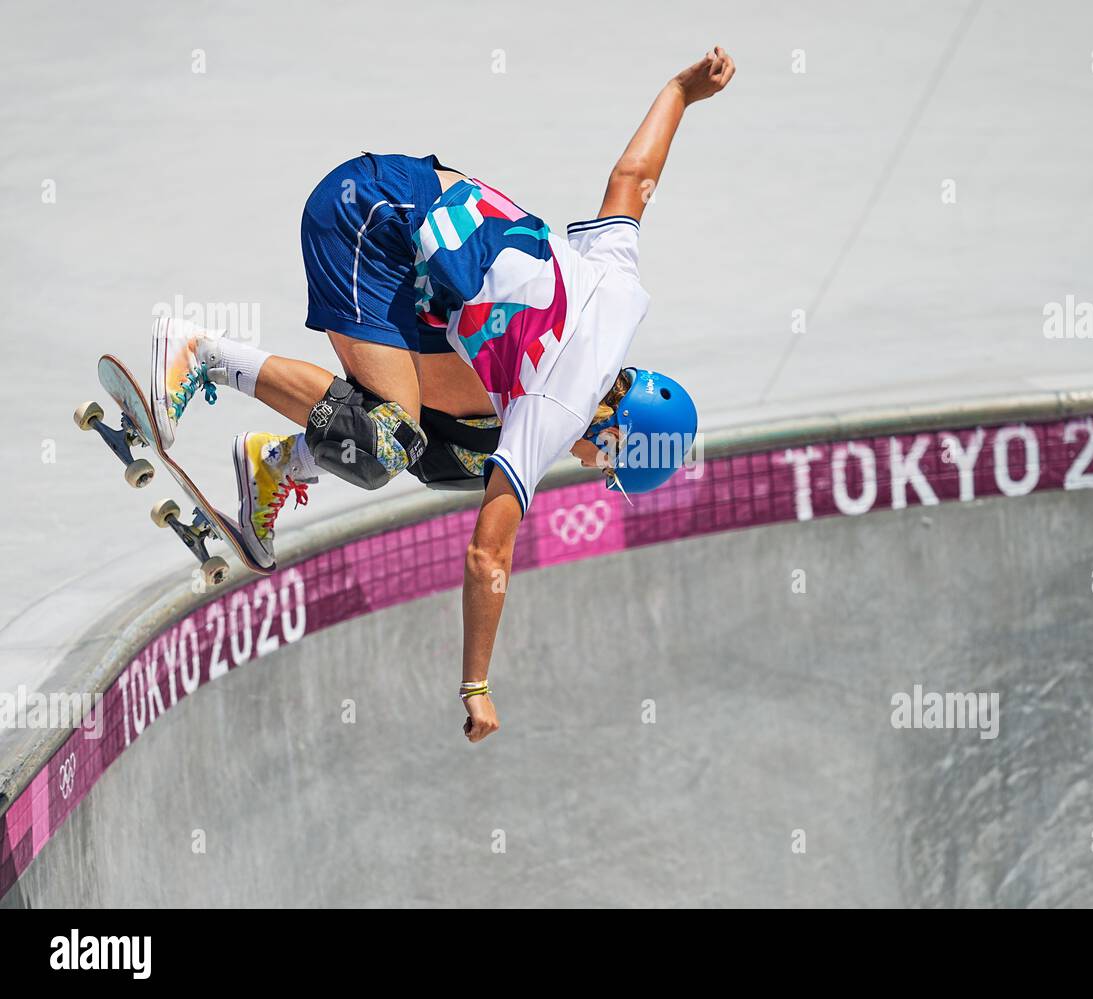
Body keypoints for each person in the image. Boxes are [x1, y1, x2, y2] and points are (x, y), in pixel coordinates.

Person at [150, 47, 736, 742]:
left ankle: (280, 460)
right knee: (388, 444)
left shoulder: (620, 293)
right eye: (604, 463)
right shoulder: (558, 407)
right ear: (615, 429)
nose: (587, 465)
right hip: (366, 219)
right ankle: (206, 353)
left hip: (406, 234)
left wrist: (681, 90)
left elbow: (633, 179)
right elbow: (488, 557)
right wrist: (477, 684)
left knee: (457, 454)